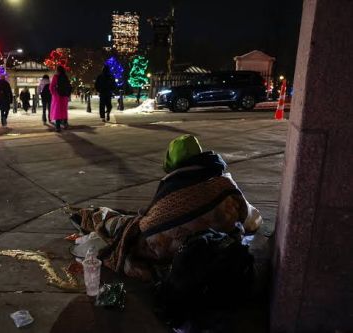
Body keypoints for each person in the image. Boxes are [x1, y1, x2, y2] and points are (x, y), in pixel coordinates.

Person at [65, 135, 263, 281]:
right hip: (212, 249)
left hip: (164, 250)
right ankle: (93, 217)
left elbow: (146, 225)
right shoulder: (223, 185)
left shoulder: (172, 188)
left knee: (120, 224)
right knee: (127, 222)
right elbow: (251, 220)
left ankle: (90, 217)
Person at [49, 65, 71, 132]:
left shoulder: (56, 77)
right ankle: (65, 123)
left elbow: (51, 87)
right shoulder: (65, 77)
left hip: (57, 96)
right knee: (64, 110)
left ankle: (58, 127)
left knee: (57, 111)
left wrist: (53, 93)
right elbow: (69, 86)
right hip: (65, 96)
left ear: (57, 70)